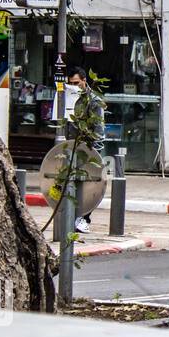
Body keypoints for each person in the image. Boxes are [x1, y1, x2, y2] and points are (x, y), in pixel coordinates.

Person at [66, 67, 105, 234]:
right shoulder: (67, 97)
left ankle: (84, 217)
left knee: (90, 186)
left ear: (84, 80)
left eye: (76, 83)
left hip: (88, 148)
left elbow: (99, 129)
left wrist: (94, 155)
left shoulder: (93, 101)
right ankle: (71, 215)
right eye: (70, 84)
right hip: (71, 147)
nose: (74, 86)